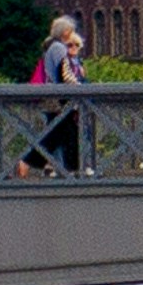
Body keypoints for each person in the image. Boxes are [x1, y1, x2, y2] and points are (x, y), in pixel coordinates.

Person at [26, 14, 89, 177]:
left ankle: (67, 167)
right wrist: (79, 87)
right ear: (65, 32)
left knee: (62, 132)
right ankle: (31, 162)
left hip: (55, 97)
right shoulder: (58, 48)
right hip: (59, 98)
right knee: (61, 133)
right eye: (70, 30)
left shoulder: (51, 46)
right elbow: (64, 74)